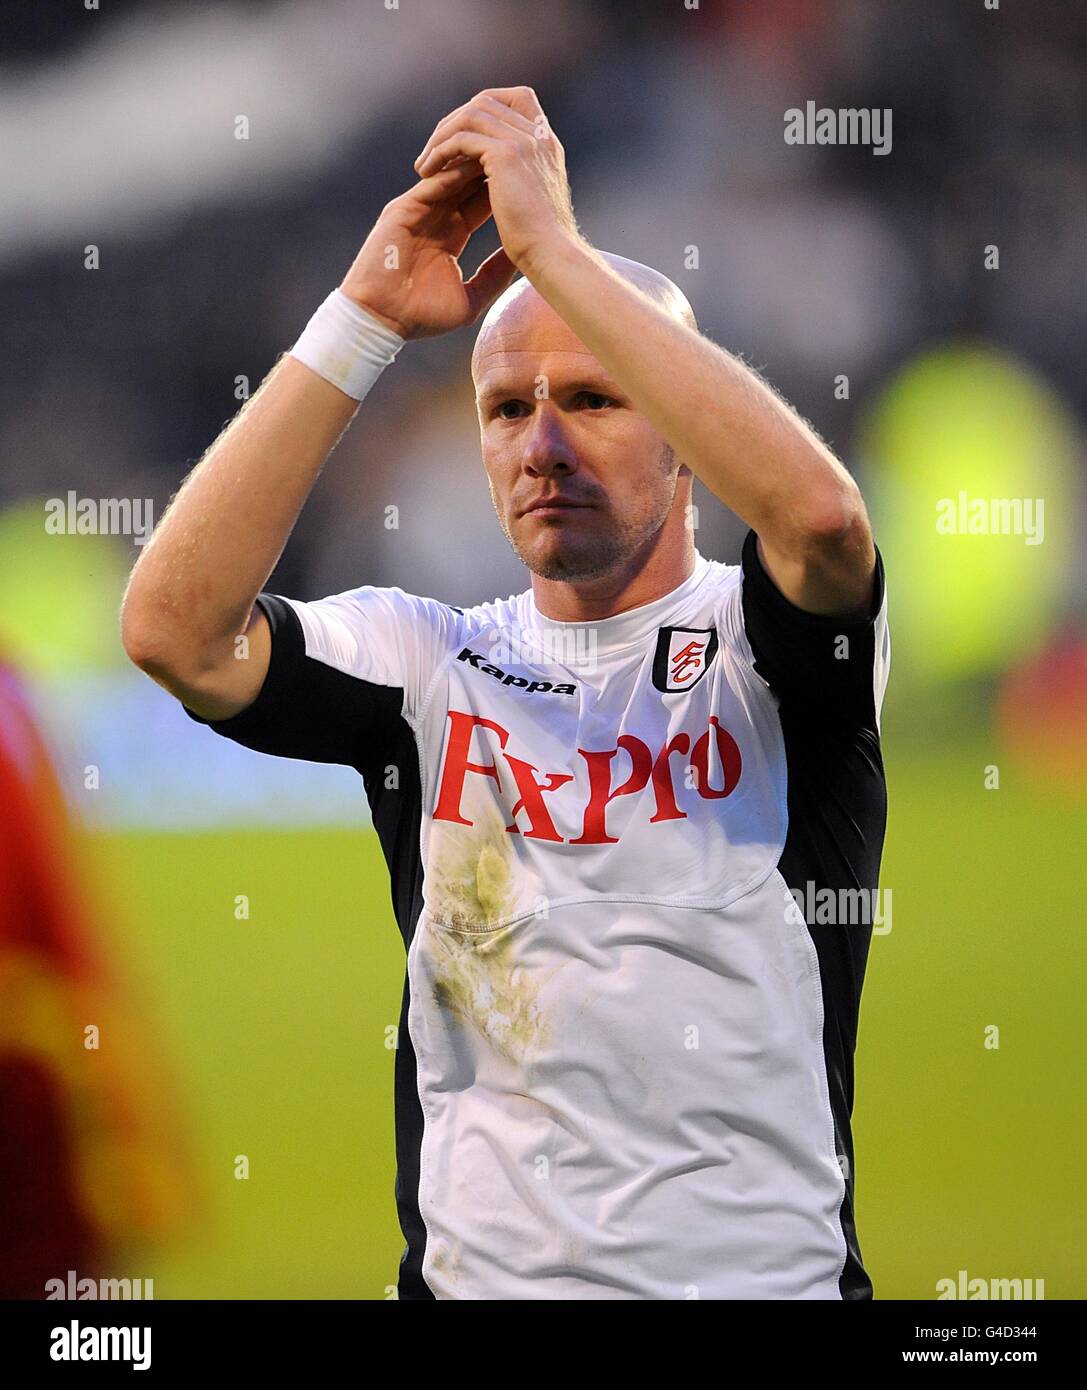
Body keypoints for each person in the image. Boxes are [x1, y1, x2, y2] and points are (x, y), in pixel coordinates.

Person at [122, 87, 890, 1300]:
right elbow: (173, 632)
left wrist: (553, 254)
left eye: (592, 398)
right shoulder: (428, 664)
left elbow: (822, 519)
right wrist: (365, 314)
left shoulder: (767, 650)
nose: (541, 443)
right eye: (505, 408)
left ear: (684, 431)